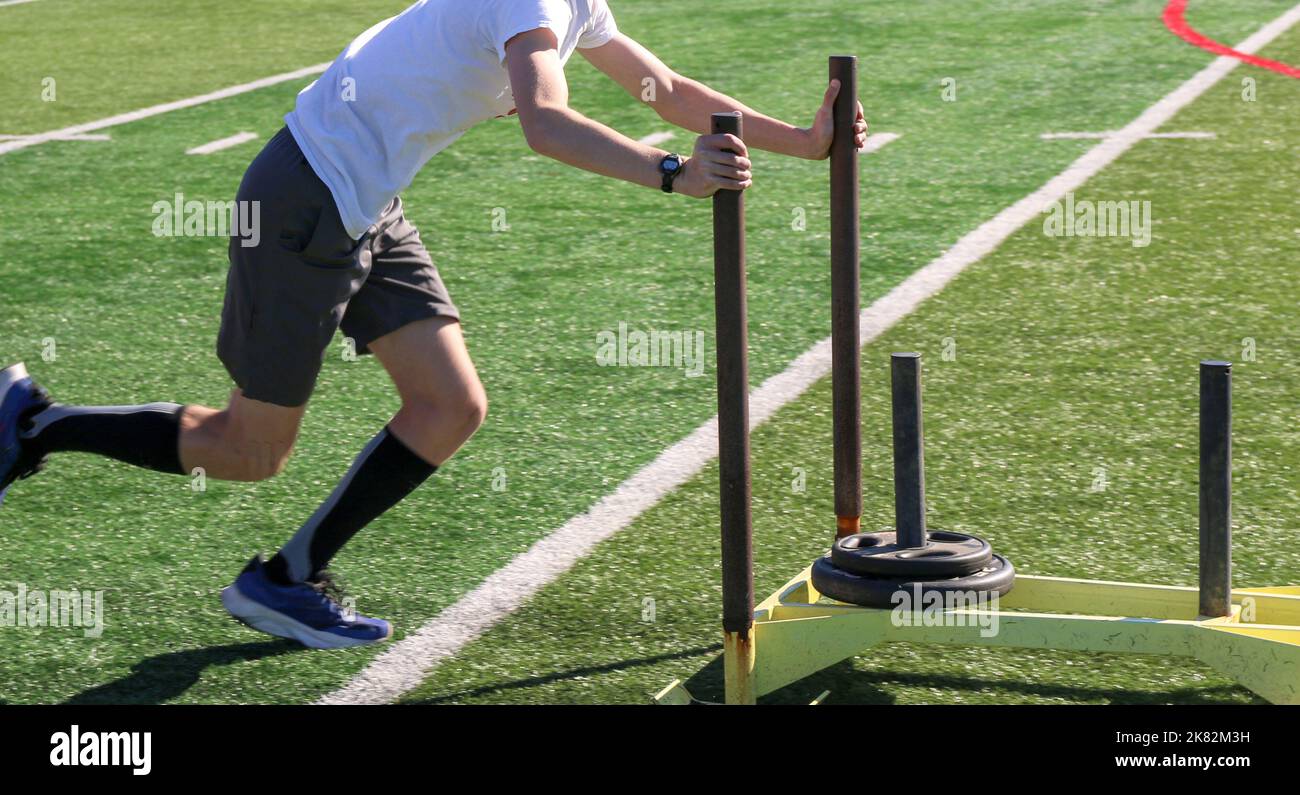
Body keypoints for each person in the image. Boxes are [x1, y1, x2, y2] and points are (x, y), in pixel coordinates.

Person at [0, 0, 867, 648]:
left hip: (365, 204)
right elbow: (545, 124)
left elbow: (666, 90)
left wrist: (805, 140)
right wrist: (672, 173)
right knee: (249, 449)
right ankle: (38, 422)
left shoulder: (575, 3)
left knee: (449, 405)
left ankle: (287, 575)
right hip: (305, 200)